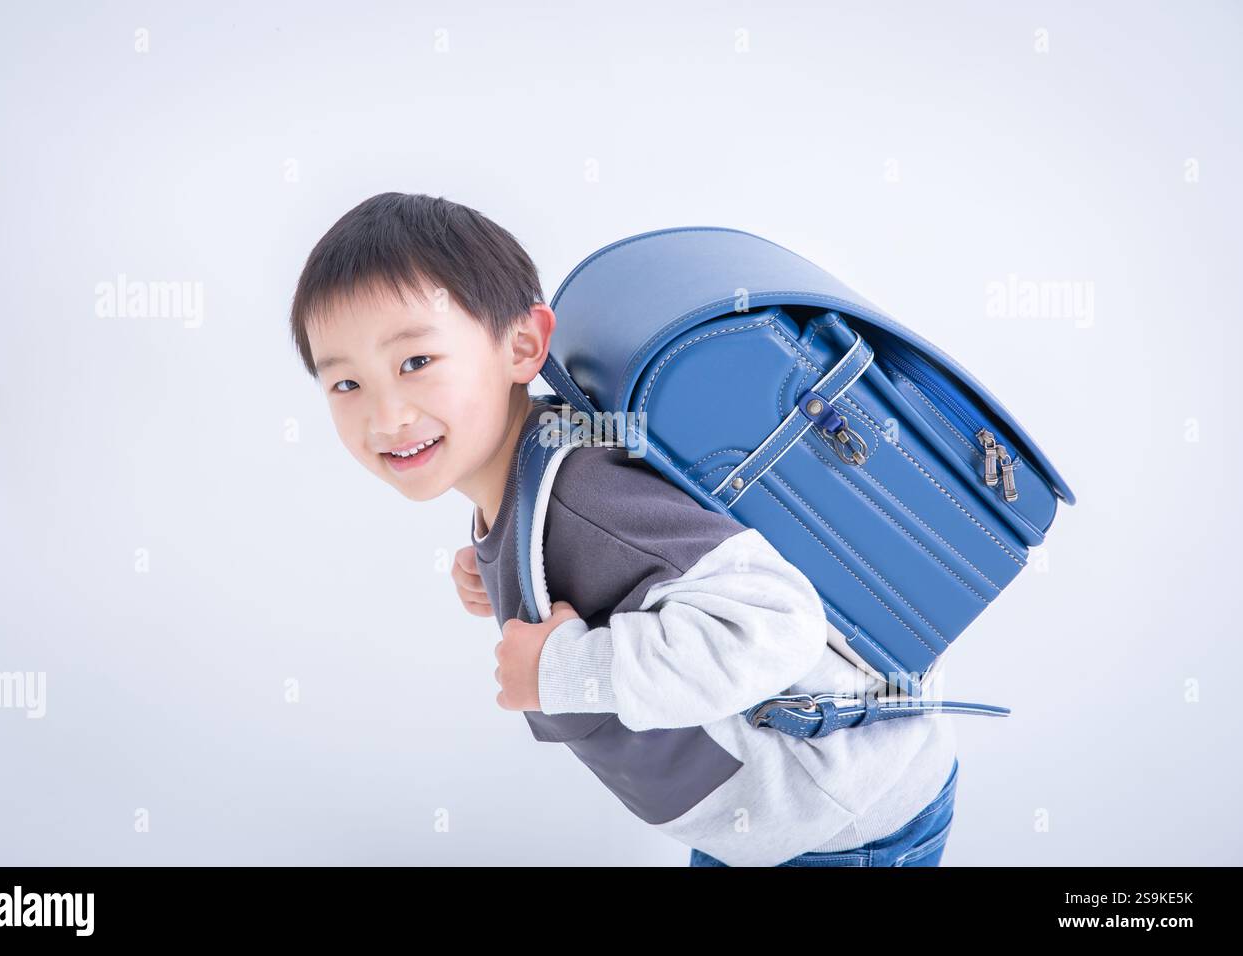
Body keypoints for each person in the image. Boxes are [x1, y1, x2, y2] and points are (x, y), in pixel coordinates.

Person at [289, 191, 960, 867]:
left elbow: (777, 623)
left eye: (415, 363)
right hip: (762, 823)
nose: (386, 415)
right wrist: (498, 566)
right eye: (345, 385)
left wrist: (562, 672)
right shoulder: (527, 483)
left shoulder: (586, 495)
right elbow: (635, 572)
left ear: (522, 347)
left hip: (837, 822)